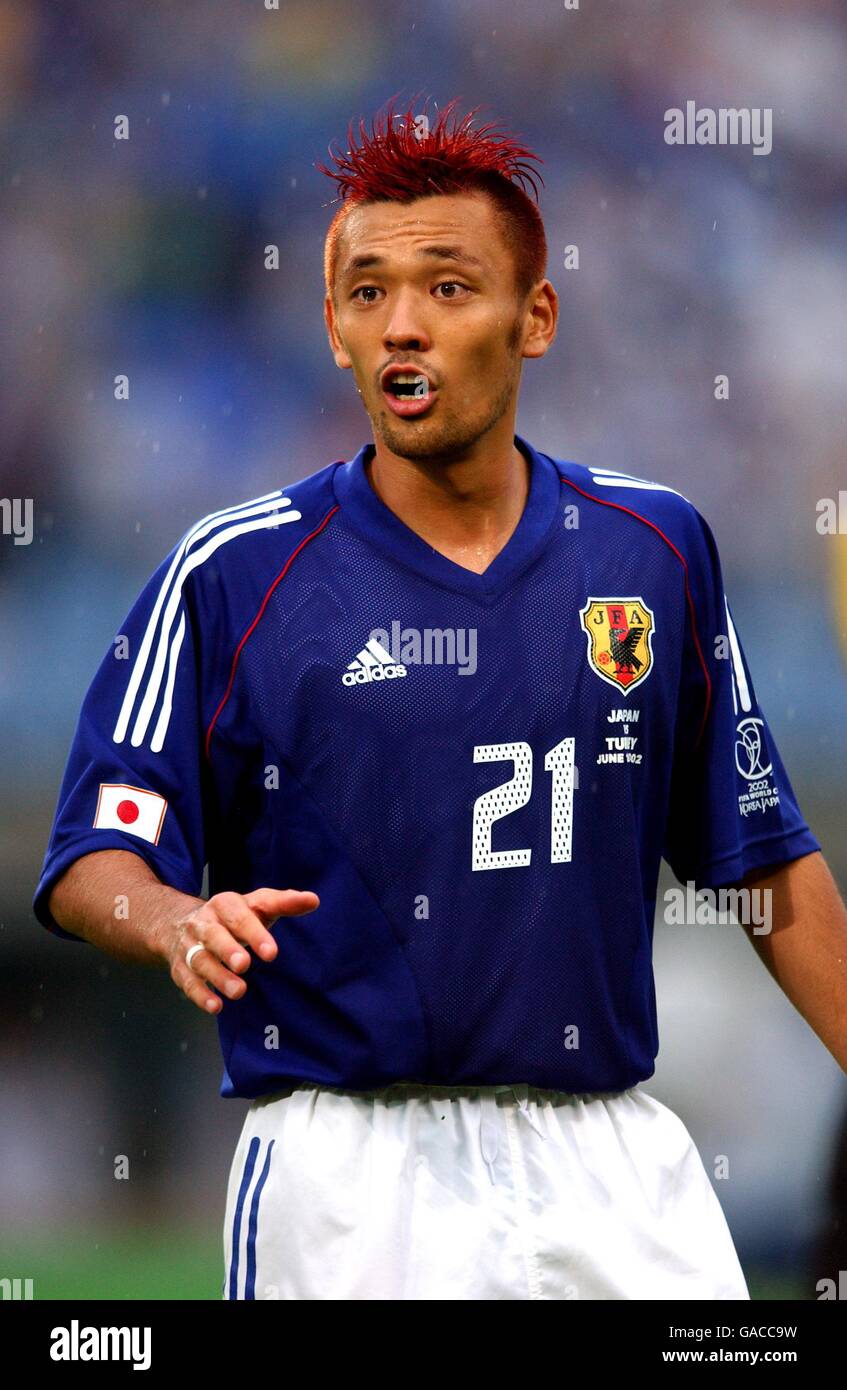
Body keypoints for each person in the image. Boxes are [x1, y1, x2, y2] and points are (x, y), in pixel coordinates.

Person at [33, 97, 847, 1301]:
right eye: (367, 293)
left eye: (449, 287)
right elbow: (89, 854)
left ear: (536, 318)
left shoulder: (652, 550)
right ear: (332, 329)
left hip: (611, 1159)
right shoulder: (232, 572)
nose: (402, 324)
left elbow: (761, 865)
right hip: (348, 1175)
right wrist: (172, 921)